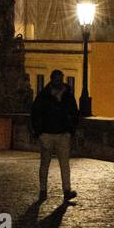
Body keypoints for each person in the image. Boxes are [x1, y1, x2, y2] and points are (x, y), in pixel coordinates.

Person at [29, 69, 79, 203]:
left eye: (60, 79)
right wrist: (39, 133)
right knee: (45, 164)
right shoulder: (44, 95)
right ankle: (43, 189)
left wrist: (71, 130)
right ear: (52, 80)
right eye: (57, 79)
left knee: (64, 164)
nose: (59, 81)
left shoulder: (66, 94)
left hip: (62, 134)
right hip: (47, 134)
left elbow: (74, 112)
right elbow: (35, 113)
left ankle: (66, 190)